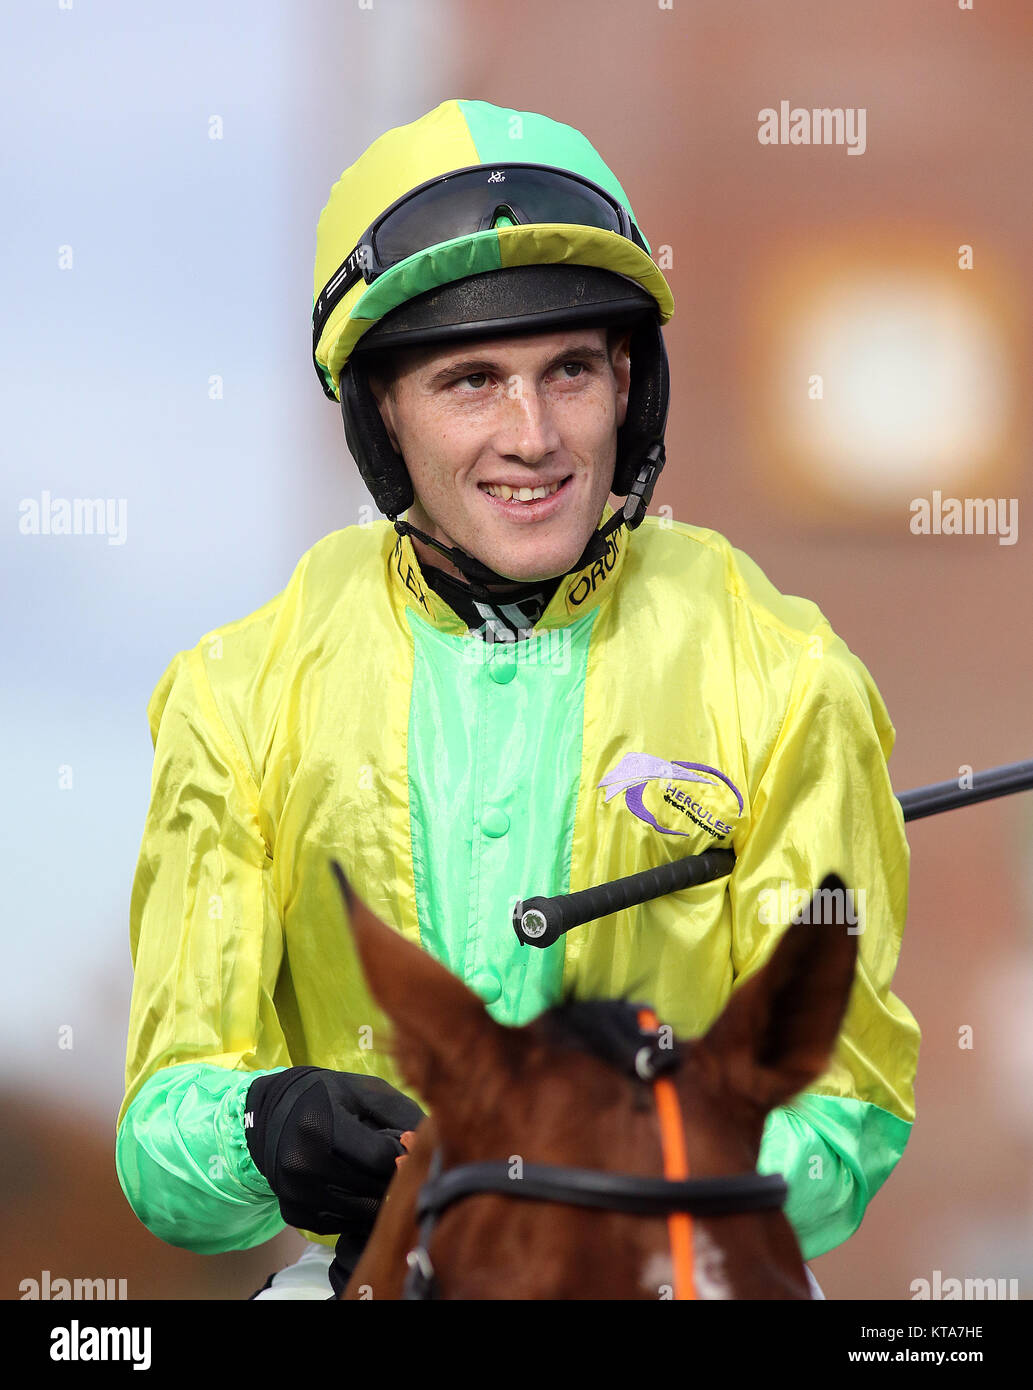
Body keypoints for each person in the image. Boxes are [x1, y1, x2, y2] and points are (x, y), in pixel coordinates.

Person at [115, 98, 920, 1300]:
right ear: (380, 411)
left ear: (628, 384)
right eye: (471, 380)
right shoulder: (236, 691)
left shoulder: (792, 674)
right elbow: (161, 1145)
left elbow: (850, 1109)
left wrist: (592, 1161)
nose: (532, 435)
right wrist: (266, 1126)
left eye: (570, 372)